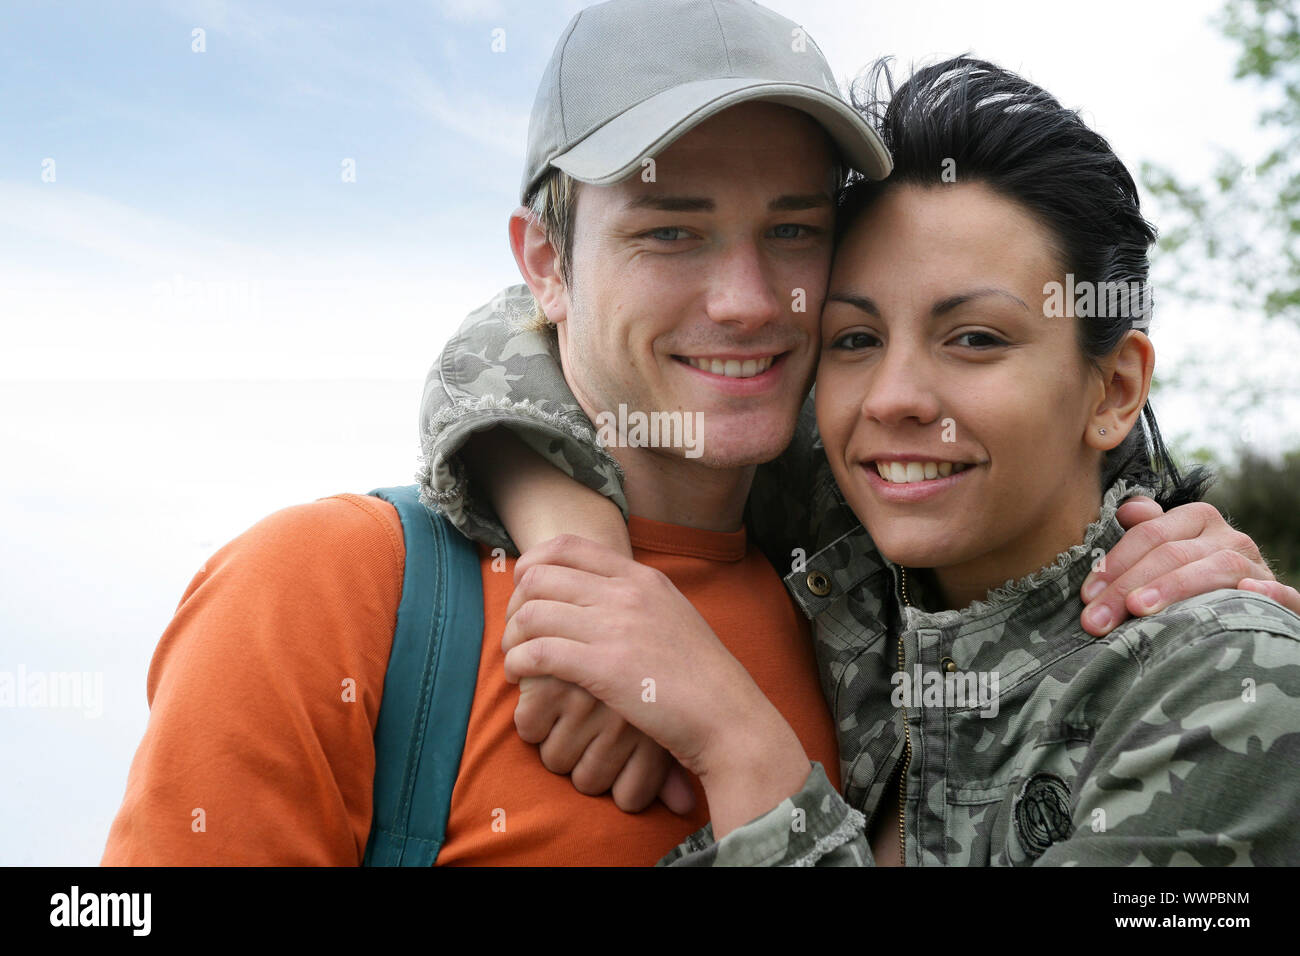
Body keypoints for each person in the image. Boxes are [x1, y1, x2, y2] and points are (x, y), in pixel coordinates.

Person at [422, 57, 1300, 865]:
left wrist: (737, 739)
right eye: (854, 336)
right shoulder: (841, 544)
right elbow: (561, 324)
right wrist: (578, 544)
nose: (894, 397)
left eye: (976, 337)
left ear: (1113, 389)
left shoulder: (1227, 694)